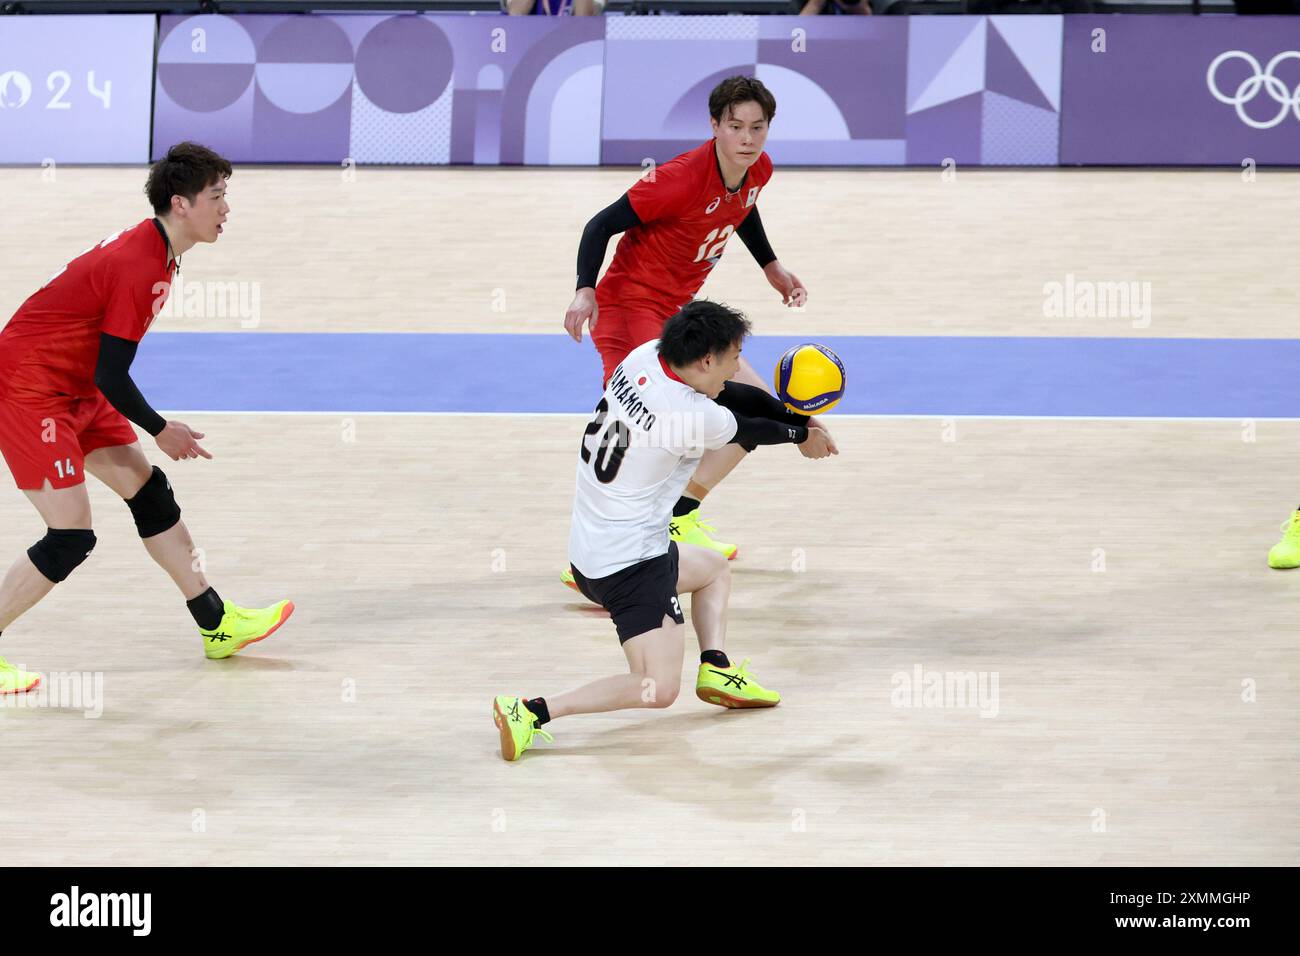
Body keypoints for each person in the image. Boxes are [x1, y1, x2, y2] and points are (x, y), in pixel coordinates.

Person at [0, 142, 293, 695]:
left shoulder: (158, 250)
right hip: (30, 389)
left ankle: (216, 623)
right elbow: (115, 374)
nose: (225, 209)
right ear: (180, 204)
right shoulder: (141, 264)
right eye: (217, 196)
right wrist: (161, 429)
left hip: (73, 382)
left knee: (149, 492)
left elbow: (102, 369)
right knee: (70, 536)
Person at [494, 301, 837, 761]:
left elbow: (734, 396)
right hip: (632, 566)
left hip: (588, 552)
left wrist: (797, 419)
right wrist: (801, 435)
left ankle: (715, 666)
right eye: (734, 356)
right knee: (655, 688)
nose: (738, 368)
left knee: (713, 568)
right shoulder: (691, 415)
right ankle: (531, 711)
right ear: (706, 360)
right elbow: (749, 425)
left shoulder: (645, 357)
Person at [562, 75, 821, 568]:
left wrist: (772, 267)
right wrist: (584, 289)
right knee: (653, 431)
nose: (747, 138)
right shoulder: (679, 179)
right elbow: (600, 224)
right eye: (736, 126)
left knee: (758, 410)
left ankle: (679, 515)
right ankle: (606, 555)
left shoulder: (757, 169)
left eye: (757, 128)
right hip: (629, 309)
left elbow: (741, 208)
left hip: (677, 315)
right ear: (715, 126)